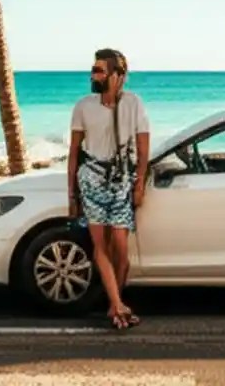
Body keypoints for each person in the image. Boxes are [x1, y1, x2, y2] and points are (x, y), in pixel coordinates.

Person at [67, 48, 150, 329]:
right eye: (94, 69)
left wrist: (139, 184)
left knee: (122, 250)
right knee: (101, 244)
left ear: (118, 76)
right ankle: (117, 307)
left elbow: (143, 148)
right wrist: (72, 194)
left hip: (120, 182)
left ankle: (115, 302)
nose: (94, 75)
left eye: (101, 70)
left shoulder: (134, 104)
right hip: (91, 180)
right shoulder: (83, 106)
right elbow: (74, 151)